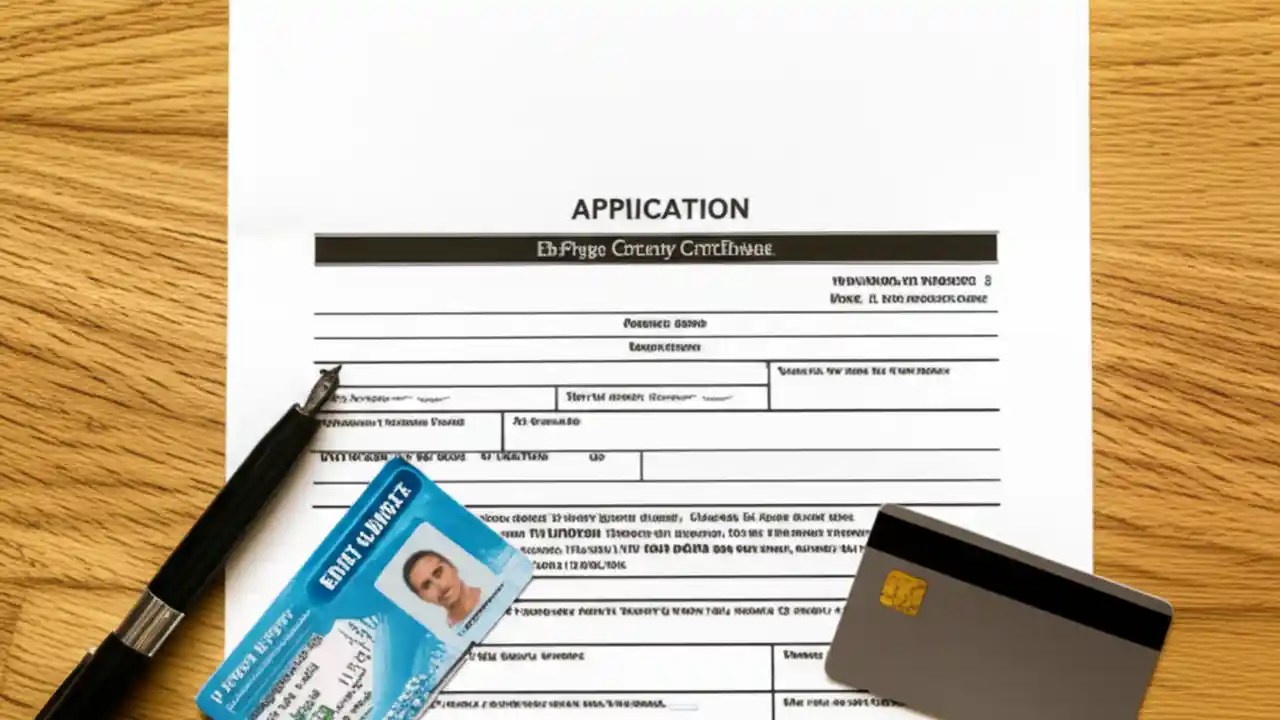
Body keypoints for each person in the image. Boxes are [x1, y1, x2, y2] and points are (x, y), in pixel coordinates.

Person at [401, 550, 482, 627]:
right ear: (422, 598)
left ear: (452, 566)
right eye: (427, 585)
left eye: (438, 572)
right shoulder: (451, 637)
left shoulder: (492, 582)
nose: (439, 585)